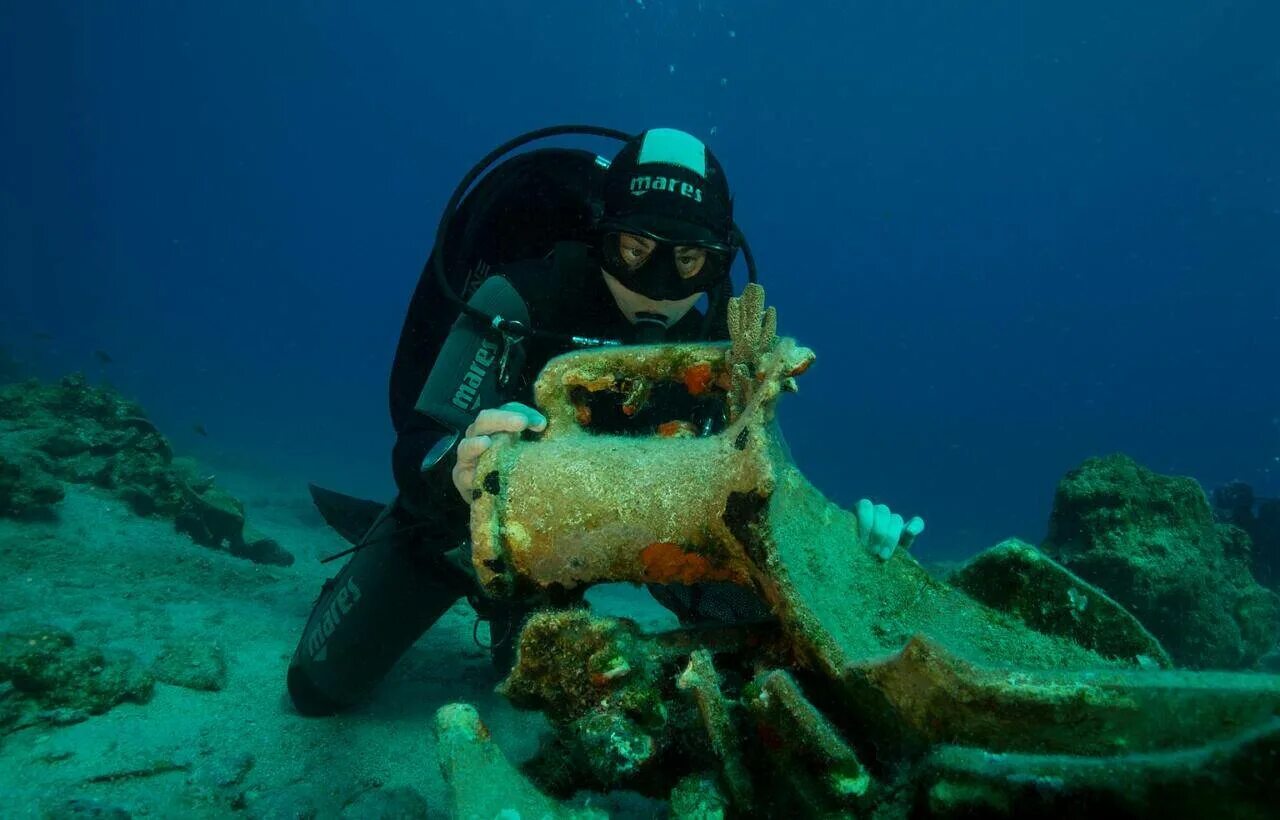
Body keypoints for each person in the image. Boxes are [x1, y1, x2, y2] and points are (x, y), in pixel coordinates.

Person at [286, 127, 923, 717]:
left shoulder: (724, 357)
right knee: (317, 688)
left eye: (687, 263)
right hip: (456, 533)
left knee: (573, 706)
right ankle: (388, 569)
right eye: (634, 249)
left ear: (718, 264)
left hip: (608, 556)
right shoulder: (519, 302)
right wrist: (454, 468)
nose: (655, 288)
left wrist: (840, 555)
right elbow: (416, 445)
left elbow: (752, 509)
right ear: (602, 236)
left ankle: (526, 616)